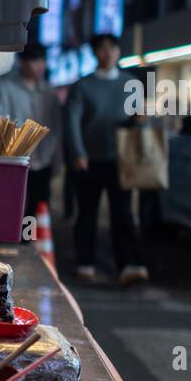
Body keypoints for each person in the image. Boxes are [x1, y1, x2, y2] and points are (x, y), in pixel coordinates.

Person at [65, 33, 148, 286]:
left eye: (112, 49)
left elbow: (140, 122)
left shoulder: (131, 83)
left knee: (122, 213)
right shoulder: (83, 86)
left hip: (121, 159)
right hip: (89, 160)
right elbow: (73, 122)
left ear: (118, 52)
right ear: (95, 53)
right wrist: (78, 153)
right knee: (87, 213)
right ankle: (85, 263)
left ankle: (128, 266)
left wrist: (141, 120)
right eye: (102, 49)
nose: (108, 53)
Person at [0, 42, 60, 222]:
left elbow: (57, 129)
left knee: (39, 206)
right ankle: (15, 243)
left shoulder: (49, 92)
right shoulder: (5, 88)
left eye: (42, 61)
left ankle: (33, 243)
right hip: (15, 159)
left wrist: (57, 159)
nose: (40, 66)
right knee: (13, 206)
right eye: (35, 61)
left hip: (42, 160)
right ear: (22, 63)